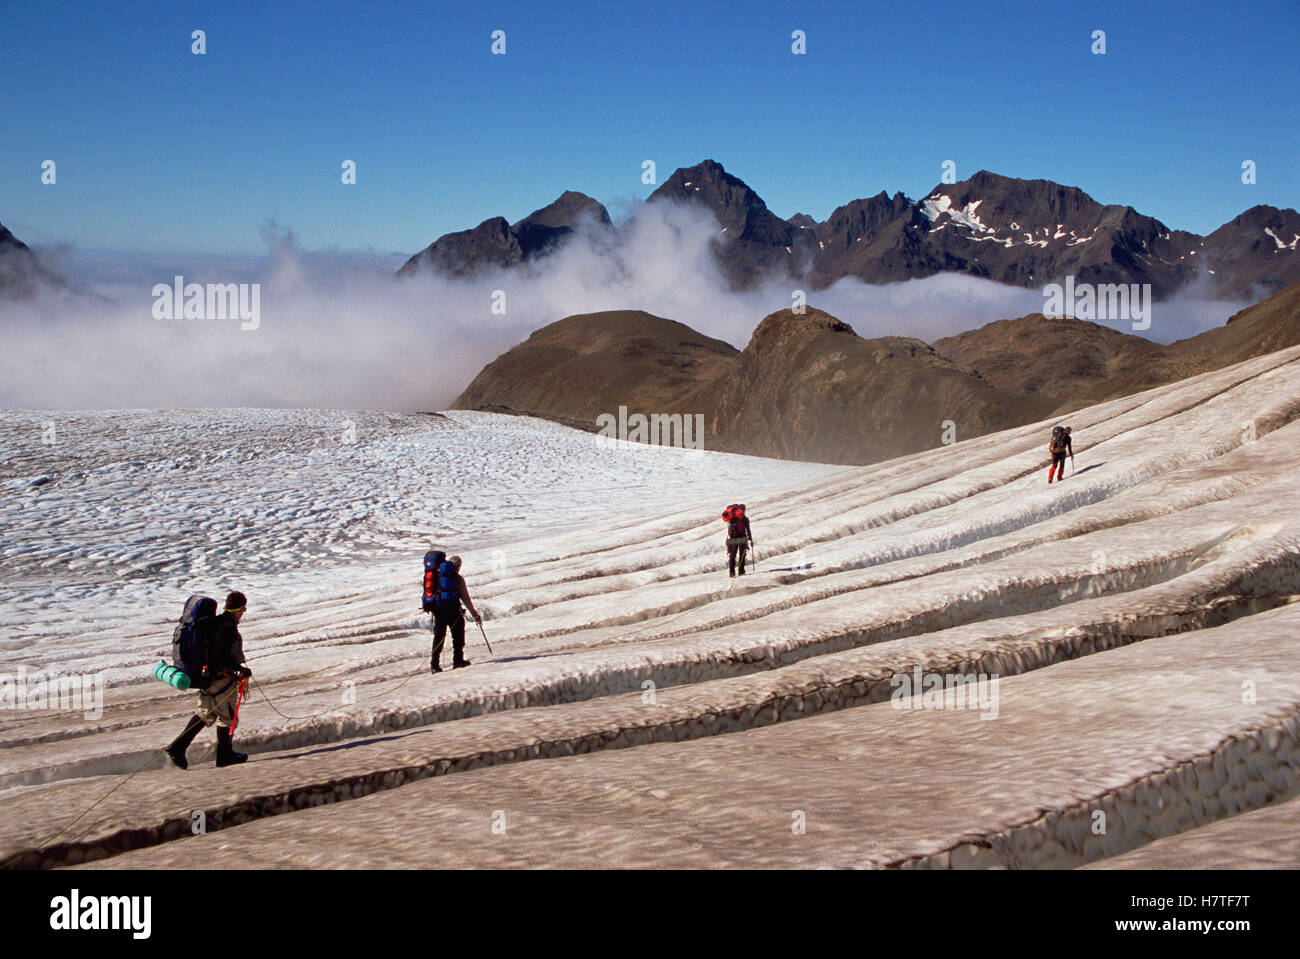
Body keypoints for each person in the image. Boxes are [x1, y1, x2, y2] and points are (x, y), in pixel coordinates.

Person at [165, 590, 253, 769]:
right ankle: (224, 755)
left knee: (206, 713)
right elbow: (220, 658)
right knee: (227, 717)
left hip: (204, 677)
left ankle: (177, 747)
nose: (243, 613)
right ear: (240, 609)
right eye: (243, 609)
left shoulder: (213, 623)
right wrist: (240, 670)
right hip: (220, 679)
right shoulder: (228, 627)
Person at [430, 556, 481, 673]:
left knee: (438, 637)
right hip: (453, 611)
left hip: (438, 611)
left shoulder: (436, 575)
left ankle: (434, 665)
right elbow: (465, 599)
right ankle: (458, 661)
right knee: (458, 637)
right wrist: (474, 614)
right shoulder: (458, 578)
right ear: (458, 566)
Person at [723, 504, 754, 577]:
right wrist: (750, 539)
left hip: (733, 538)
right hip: (742, 537)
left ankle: (732, 572)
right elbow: (748, 530)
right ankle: (741, 571)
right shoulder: (745, 519)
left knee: (732, 555)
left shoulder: (732, 518)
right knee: (742, 554)